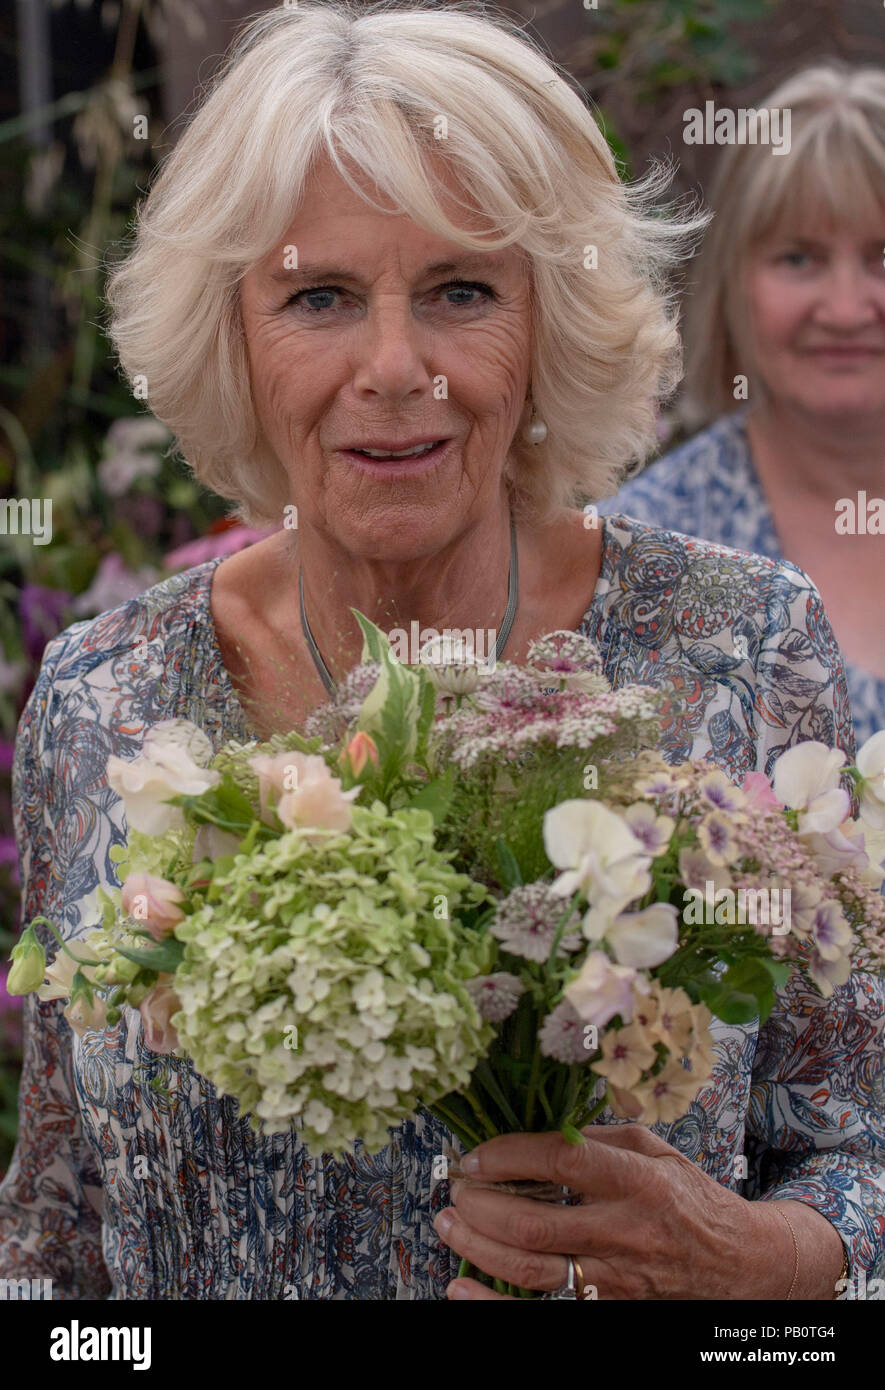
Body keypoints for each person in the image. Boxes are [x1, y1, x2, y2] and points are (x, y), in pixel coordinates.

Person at [1, 3, 882, 1301]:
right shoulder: (105, 704)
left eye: (462, 290)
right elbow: (56, 1244)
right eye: (320, 296)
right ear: (233, 334)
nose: (396, 365)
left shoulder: (738, 653)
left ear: (549, 324)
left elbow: (858, 1157)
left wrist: (749, 1263)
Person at [599, 64, 885, 750]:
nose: (845, 309)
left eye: (883, 257)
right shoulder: (633, 556)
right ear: (734, 280)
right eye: (798, 259)